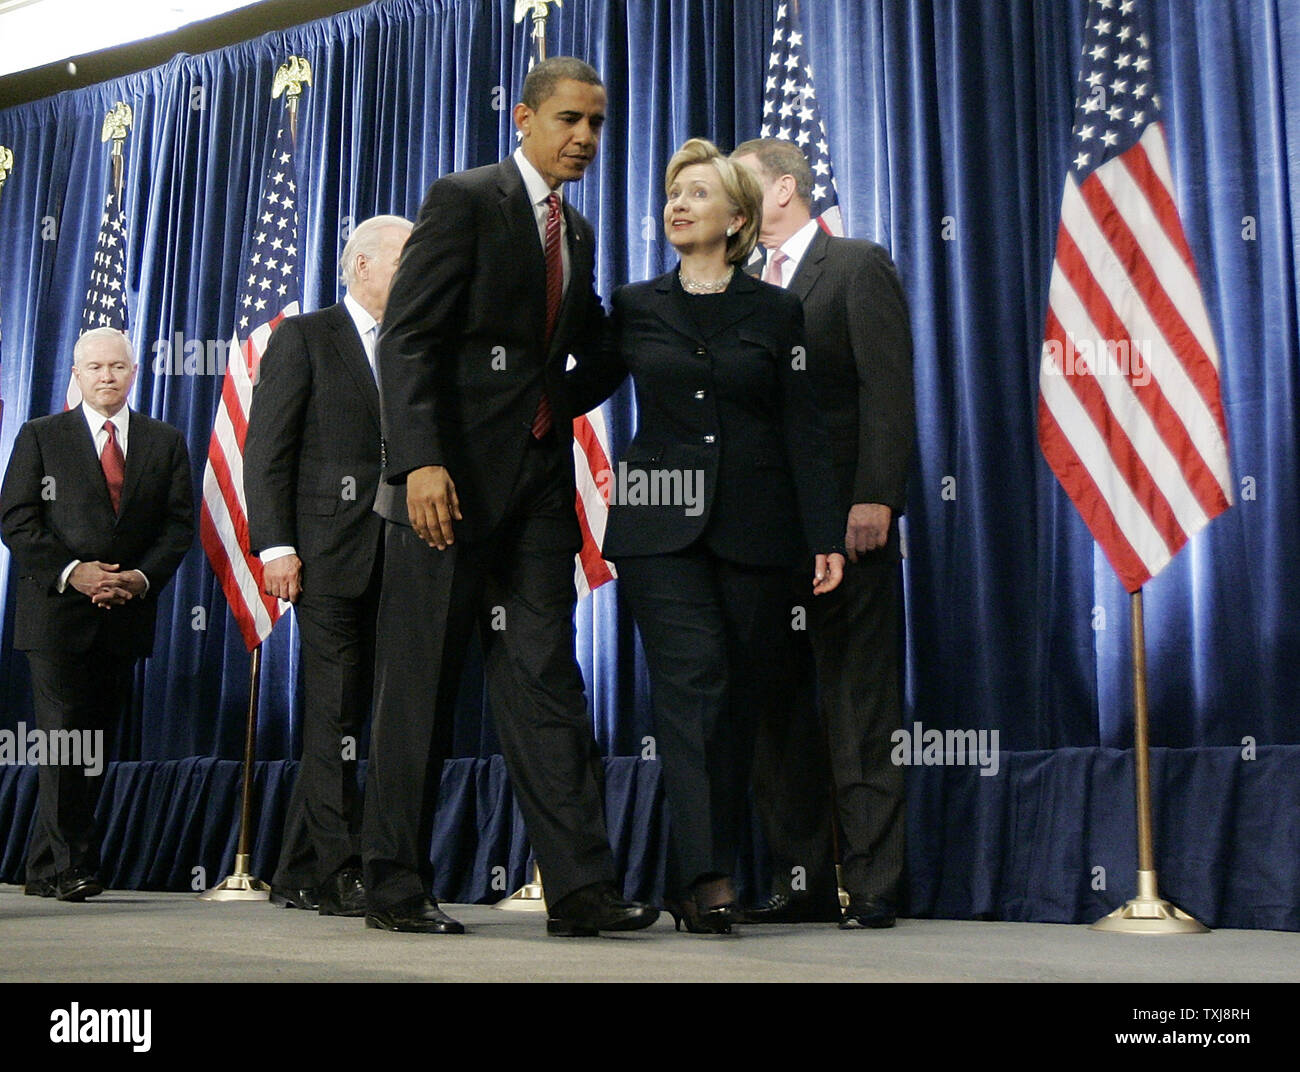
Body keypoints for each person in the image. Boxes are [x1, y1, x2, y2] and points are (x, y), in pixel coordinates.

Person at [362, 56, 657, 936]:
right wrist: (417, 463)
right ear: (523, 117)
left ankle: (580, 891)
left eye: (599, 124)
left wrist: (554, 399)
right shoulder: (463, 198)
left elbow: (592, 343)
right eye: (570, 119)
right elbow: (407, 342)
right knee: (421, 689)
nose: (586, 139)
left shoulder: (582, 232)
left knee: (545, 681)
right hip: (441, 491)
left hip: (535, 490)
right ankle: (394, 887)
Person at [568, 138, 846, 934]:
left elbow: (803, 425)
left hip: (759, 533)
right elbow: (582, 384)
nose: (678, 205)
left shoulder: (776, 310)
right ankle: (708, 876)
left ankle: (708, 872)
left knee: (737, 702)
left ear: (738, 218)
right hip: (660, 532)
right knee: (693, 691)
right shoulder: (635, 304)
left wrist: (822, 532)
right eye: (672, 195)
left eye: (697, 194)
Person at [732, 137, 915, 929]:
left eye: (736, 184)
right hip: (764, 541)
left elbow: (888, 389)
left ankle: (872, 883)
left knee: (858, 704)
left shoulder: (855, 265)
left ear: (781, 189)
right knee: (778, 712)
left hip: (848, 528)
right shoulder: (735, 286)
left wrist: (875, 496)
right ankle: (800, 880)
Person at [244, 214, 413, 918]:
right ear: (360, 265)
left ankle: (297, 870)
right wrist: (275, 545)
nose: (416, 269)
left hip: (406, 555)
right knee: (335, 713)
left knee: (380, 716)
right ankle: (342, 868)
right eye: (405, 257)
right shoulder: (305, 337)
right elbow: (266, 449)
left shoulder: (416, 343)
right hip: (325, 558)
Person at [0, 328, 194, 900]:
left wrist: (136, 578)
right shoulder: (41, 436)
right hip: (55, 614)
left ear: (135, 372)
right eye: (94, 368)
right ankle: (73, 866)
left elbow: (177, 526)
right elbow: (17, 519)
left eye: (117, 366)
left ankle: (44, 866)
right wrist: (74, 573)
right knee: (65, 738)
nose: (106, 377)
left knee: (94, 742)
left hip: (124, 614)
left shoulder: (165, 441)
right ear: (77, 375)